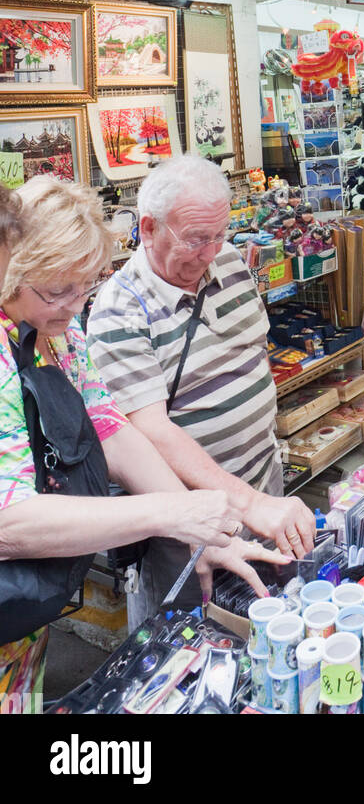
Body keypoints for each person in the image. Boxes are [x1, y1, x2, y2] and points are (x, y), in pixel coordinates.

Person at [0, 175, 287, 713]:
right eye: (56, 289)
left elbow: (111, 426)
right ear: (10, 266)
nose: (75, 305)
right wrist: (167, 512)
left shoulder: (53, 331)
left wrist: (206, 535)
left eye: (84, 285)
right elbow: (8, 523)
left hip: (23, 611)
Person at [88, 154, 316, 622]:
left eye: (218, 235)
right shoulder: (119, 311)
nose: (211, 252)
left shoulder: (229, 260)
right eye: (195, 239)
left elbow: (253, 350)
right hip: (187, 526)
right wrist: (239, 506)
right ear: (148, 229)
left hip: (263, 488)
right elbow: (148, 430)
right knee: (191, 642)